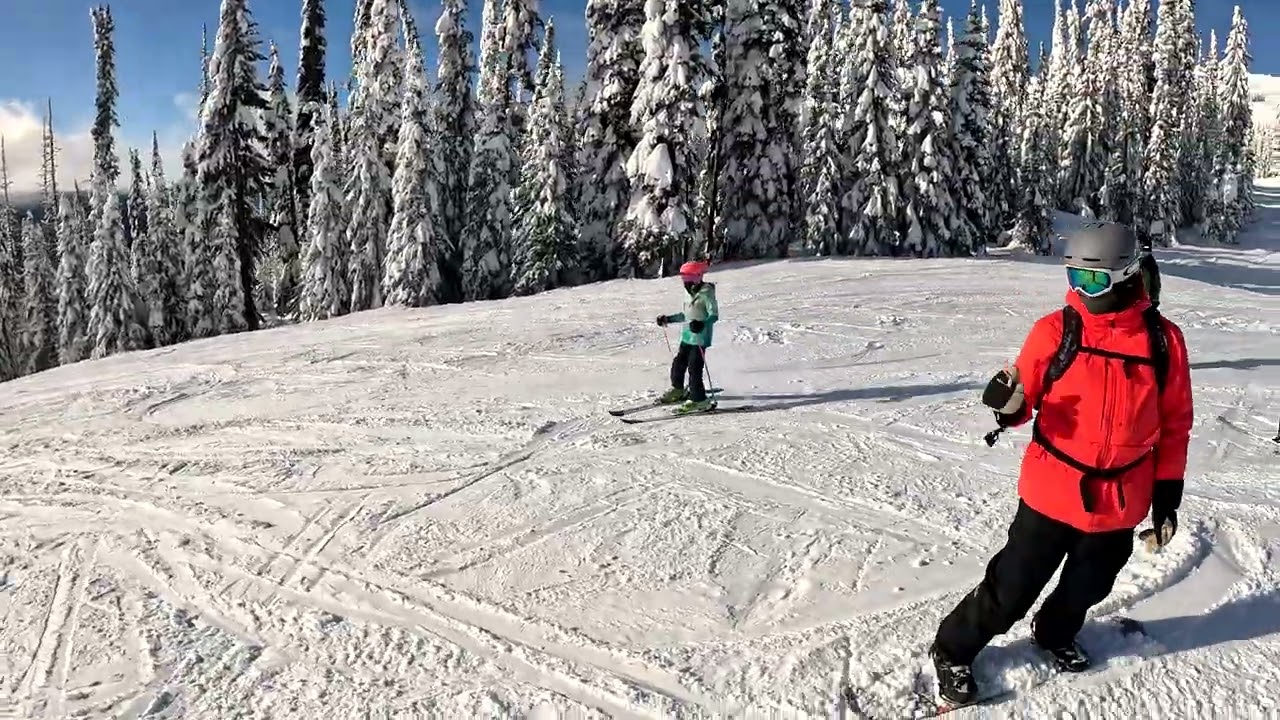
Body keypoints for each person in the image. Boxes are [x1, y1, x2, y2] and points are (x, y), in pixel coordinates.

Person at [929, 221, 1194, 706]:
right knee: (1011, 587)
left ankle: (1053, 632)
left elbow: (1175, 426)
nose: (1080, 290)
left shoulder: (1163, 342)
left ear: (1129, 274)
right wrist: (1006, 406)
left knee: (1087, 587)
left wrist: (1166, 494)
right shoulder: (1056, 331)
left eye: (1092, 281)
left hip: (1120, 499)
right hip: (1053, 489)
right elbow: (1021, 402)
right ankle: (952, 649)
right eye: (1073, 278)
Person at [655, 260, 719, 414]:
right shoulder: (687, 293)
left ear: (698, 277)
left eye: (689, 279)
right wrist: (668, 319)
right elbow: (686, 315)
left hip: (700, 337)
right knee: (678, 363)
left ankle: (699, 400)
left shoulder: (707, 293)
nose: (686, 282)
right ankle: (678, 390)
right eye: (684, 279)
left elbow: (714, 315)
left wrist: (702, 323)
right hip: (687, 336)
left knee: (694, 368)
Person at [1137, 232, 1162, 308]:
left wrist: (1154, 299)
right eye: (1143, 251)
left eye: (1147, 252)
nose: (1144, 254)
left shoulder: (1150, 262)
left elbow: (1155, 281)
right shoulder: (1129, 261)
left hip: (1144, 301)